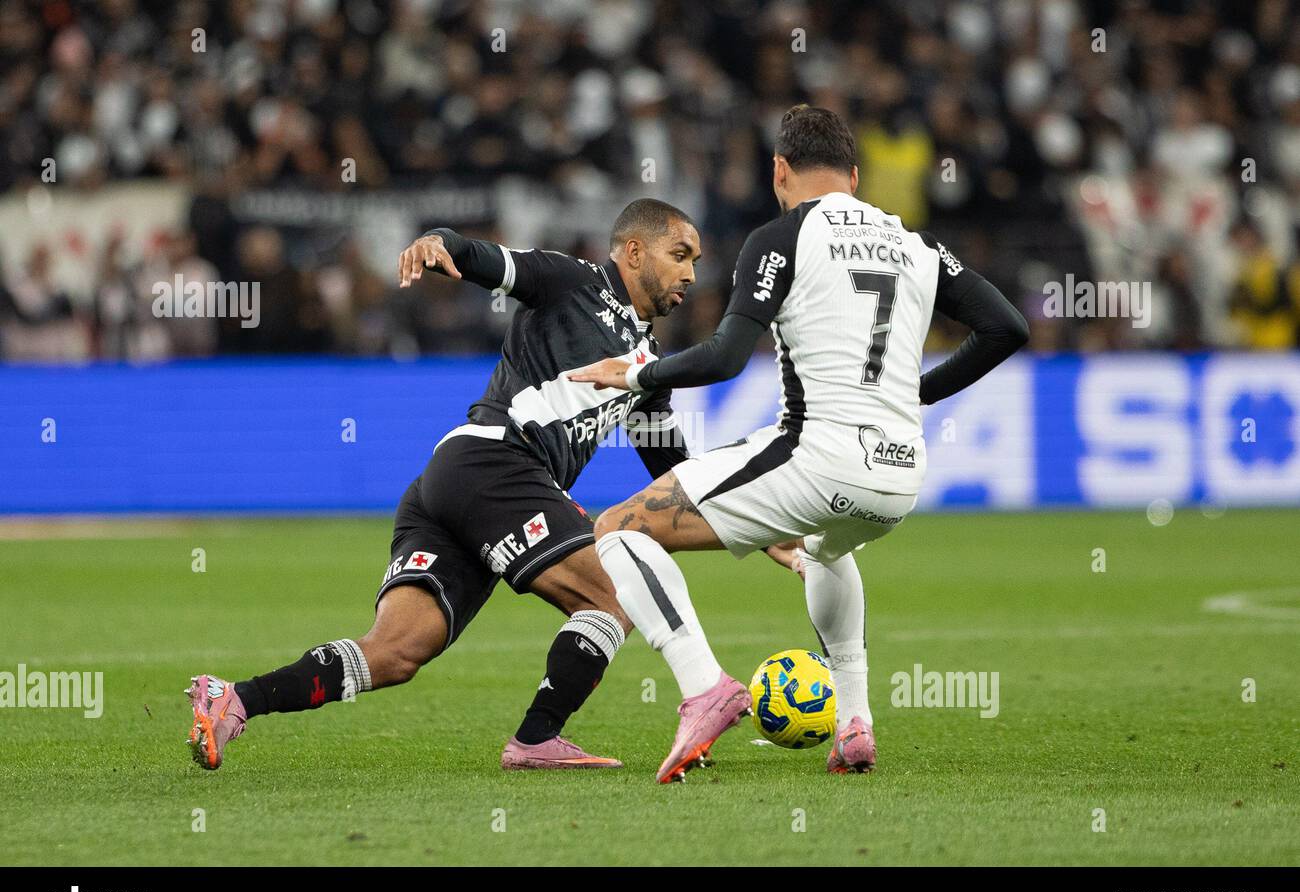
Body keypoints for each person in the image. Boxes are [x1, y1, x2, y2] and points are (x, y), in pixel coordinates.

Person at [571, 106, 1029, 782]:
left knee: (617, 529)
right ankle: (855, 724)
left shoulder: (780, 237)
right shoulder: (916, 244)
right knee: (822, 549)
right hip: (899, 477)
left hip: (818, 456)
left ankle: (705, 688)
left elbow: (726, 359)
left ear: (780, 171)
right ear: (854, 173)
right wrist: (920, 394)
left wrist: (639, 371)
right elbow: (1007, 327)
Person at [186, 199, 712, 771]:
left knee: (395, 652)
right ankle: (538, 738)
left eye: (695, 260)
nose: (690, 273)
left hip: (456, 483)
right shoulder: (571, 280)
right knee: (613, 592)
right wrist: (439, 242)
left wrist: (762, 527)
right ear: (634, 252)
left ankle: (234, 697)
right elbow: (489, 260)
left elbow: (673, 475)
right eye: (679, 254)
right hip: (496, 463)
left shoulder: (647, 365)